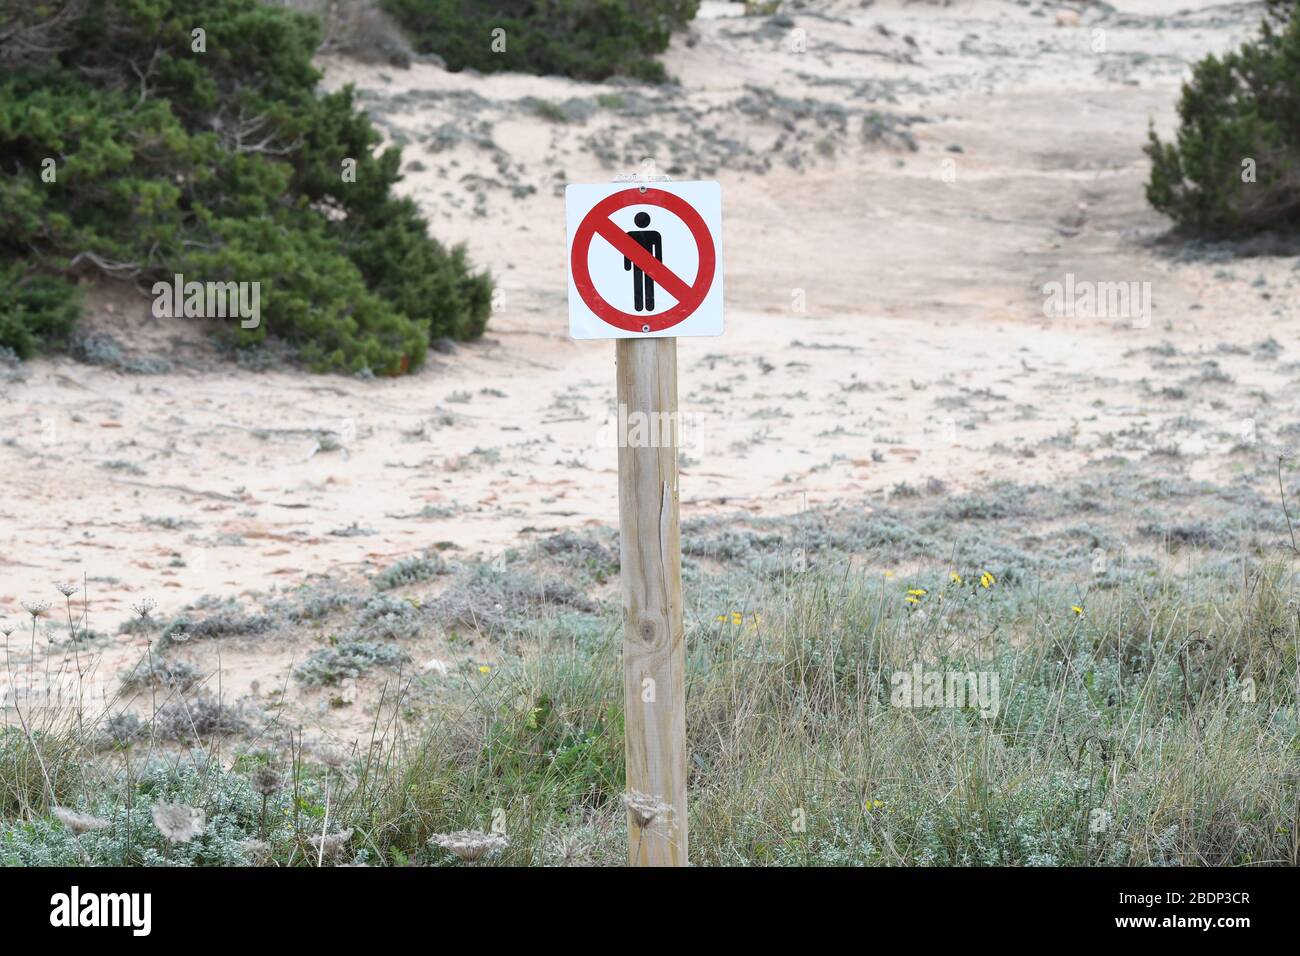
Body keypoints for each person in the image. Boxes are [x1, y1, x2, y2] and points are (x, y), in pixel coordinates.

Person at [623, 212, 662, 312]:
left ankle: (643, 306)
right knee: (645, 283)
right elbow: (658, 251)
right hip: (647, 264)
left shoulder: (632, 235)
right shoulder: (654, 234)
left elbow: (658, 250)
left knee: (640, 282)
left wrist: (627, 265)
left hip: (642, 263)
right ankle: (645, 306)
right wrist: (659, 264)